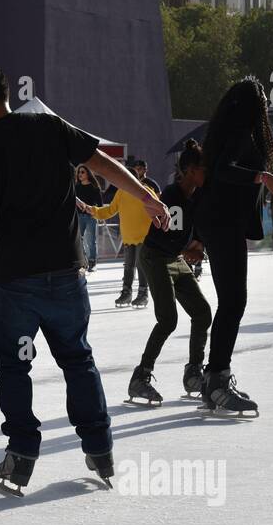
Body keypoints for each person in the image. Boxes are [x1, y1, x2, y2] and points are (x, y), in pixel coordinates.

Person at [0, 66, 168, 495]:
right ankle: (100, 446)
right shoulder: (50, 126)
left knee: (15, 366)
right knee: (77, 359)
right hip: (68, 275)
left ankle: (21, 454)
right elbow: (101, 162)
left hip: (18, 282)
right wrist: (145, 195)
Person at [193, 78, 273, 416]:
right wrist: (262, 177)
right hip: (222, 221)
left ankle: (213, 378)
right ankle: (217, 380)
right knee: (234, 300)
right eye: (263, 99)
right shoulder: (240, 133)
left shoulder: (227, 131)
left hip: (219, 220)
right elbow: (224, 171)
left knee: (232, 300)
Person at [127, 140, 212, 405]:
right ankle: (140, 377)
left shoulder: (197, 195)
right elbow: (168, 235)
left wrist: (198, 244)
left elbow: (196, 228)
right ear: (188, 170)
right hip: (155, 257)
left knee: (202, 312)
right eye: (202, 169)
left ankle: (193, 373)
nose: (206, 174)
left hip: (174, 257)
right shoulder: (172, 195)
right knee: (168, 320)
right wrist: (190, 249)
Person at [89, 170, 155, 308]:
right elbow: (110, 210)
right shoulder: (121, 193)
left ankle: (143, 294)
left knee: (141, 266)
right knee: (128, 267)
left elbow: (157, 207)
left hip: (144, 237)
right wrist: (93, 210)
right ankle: (127, 293)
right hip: (128, 236)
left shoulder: (146, 191)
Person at [74, 164, 101, 270]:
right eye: (79, 172)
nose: (80, 174)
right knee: (79, 240)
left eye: (82, 172)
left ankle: (92, 261)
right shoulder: (76, 187)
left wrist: (97, 213)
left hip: (91, 217)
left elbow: (100, 204)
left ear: (88, 173)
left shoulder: (94, 187)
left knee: (91, 240)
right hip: (78, 216)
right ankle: (83, 260)